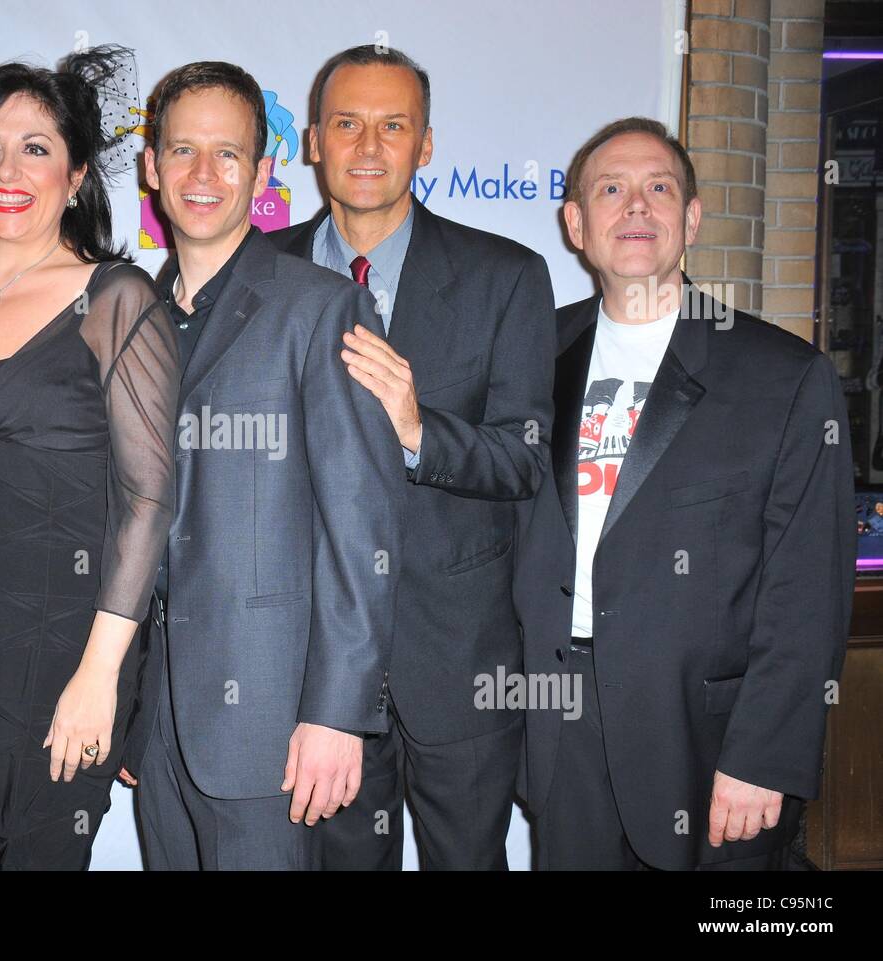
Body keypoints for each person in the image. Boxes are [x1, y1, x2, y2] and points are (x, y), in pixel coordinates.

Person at [514, 117, 854, 870]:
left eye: (659, 188)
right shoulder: (532, 352)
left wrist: (766, 755)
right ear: (576, 223)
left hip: (705, 747)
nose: (636, 207)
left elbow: (810, 591)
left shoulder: (783, 375)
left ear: (691, 217)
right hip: (561, 732)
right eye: (611, 189)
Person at [269, 45, 556, 869]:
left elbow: (523, 460)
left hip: (458, 664)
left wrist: (415, 424)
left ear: (425, 145)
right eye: (347, 124)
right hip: (310, 666)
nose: (368, 147)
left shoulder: (506, 276)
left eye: (393, 126)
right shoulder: (260, 274)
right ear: (313, 141)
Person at [118, 61, 404, 871]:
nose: (203, 176)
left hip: (272, 725)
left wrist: (339, 713)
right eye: (182, 152)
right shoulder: (129, 314)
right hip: (158, 724)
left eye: (229, 154)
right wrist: (134, 701)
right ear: (151, 167)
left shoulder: (322, 307)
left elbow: (364, 527)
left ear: (265, 170)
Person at [0, 47, 178, 870]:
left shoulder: (116, 296)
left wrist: (99, 675)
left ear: (78, 172)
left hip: (58, 656)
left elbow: (150, 499)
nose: (8, 168)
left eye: (37, 147)